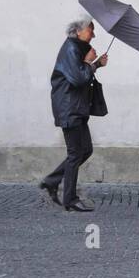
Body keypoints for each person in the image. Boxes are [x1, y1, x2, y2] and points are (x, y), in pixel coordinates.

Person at [40, 17, 107, 212]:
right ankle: (70, 199)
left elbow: (81, 75)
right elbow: (78, 79)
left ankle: (51, 181)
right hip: (69, 108)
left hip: (76, 107)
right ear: (78, 31)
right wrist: (91, 64)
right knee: (76, 152)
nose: (93, 34)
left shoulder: (77, 48)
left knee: (85, 150)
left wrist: (95, 64)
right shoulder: (71, 49)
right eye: (90, 30)